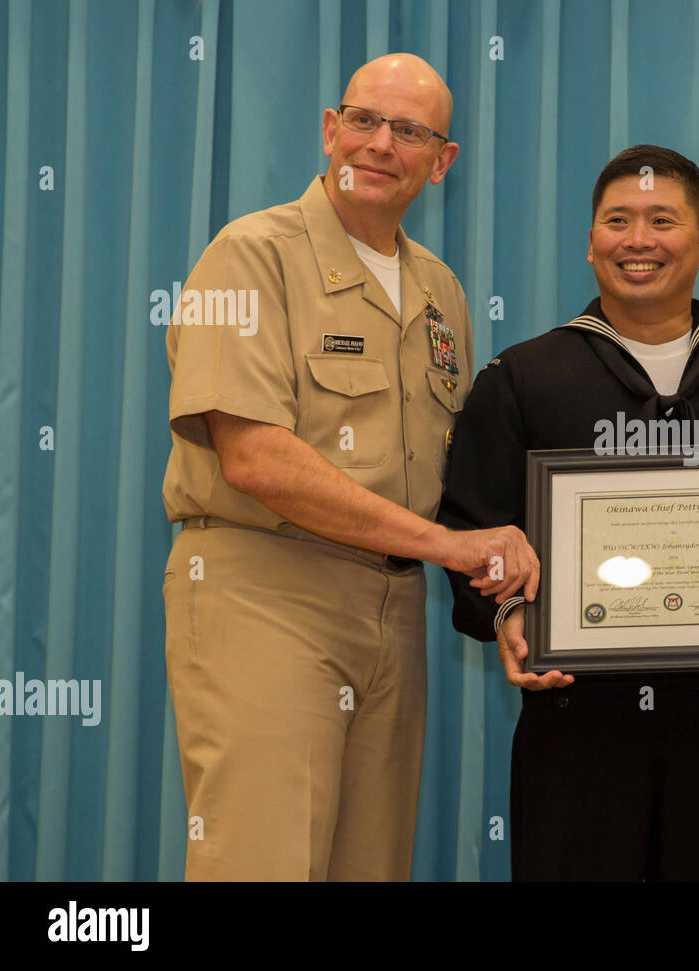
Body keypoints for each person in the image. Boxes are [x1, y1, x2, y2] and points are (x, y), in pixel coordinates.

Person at [436, 145, 699, 881]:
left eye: (662, 220)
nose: (638, 239)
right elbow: (469, 530)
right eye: (618, 220)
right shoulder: (521, 377)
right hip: (574, 723)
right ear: (590, 242)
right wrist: (512, 611)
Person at [161, 53, 539, 881]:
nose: (377, 143)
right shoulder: (251, 254)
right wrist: (449, 547)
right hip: (266, 586)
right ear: (330, 130)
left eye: (408, 130)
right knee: (262, 860)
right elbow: (257, 458)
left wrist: (509, 593)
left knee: (369, 865)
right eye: (363, 120)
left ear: (441, 162)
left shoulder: (440, 291)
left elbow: (458, 485)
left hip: (394, 608)